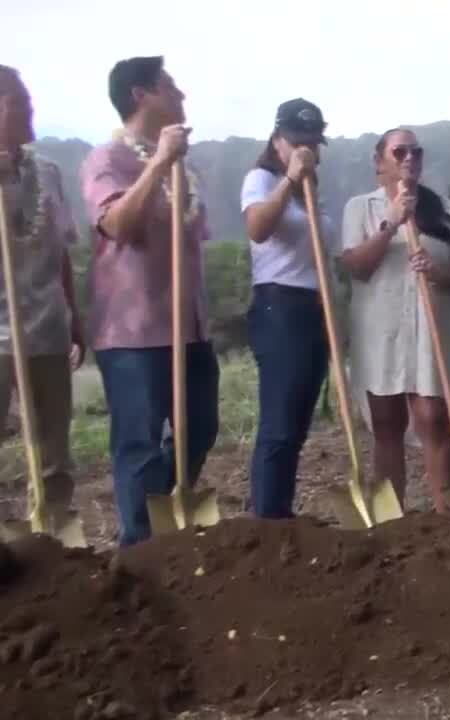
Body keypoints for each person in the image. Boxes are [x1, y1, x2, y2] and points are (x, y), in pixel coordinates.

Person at [80, 56, 219, 546]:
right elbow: (117, 225)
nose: (181, 94)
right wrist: (158, 162)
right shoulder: (106, 160)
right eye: (170, 86)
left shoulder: (189, 168)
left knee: (199, 429)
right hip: (134, 331)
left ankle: (161, 513)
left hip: (190, 326)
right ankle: (138, 550)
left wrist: (172, 164)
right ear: (140, 95)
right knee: (138, 443)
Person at [341, 128, 450, 511]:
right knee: (385, 423)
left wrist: (437, 273)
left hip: (431, 329)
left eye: (416, 152)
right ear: (379, 161)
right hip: (380, 331)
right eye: (399, 152)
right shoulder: (360, 209)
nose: (409, 159)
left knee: (433, 417)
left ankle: (446, 510)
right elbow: (356, 267)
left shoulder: (447, 212)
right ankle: (390, 516)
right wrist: (391, 222)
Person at [240, 98, 334, 518]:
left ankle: (280, 511)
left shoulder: (313, 192)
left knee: (297, 423)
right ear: (277, 139)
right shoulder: (260, 179)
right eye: (296, 141)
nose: (304, 150)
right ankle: (268, 518)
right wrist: (289, 181)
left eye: (312, 142)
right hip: (279, 307)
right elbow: (258, 229)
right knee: (278, 424)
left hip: (314, 310)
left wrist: (303, 183)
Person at [0, 66, 84, 511]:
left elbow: (62, 252)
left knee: (53, 456)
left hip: (48, 330)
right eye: (18, 102)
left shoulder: (48, 173)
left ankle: (50, 545)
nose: (31, 110)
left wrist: (74, 319)